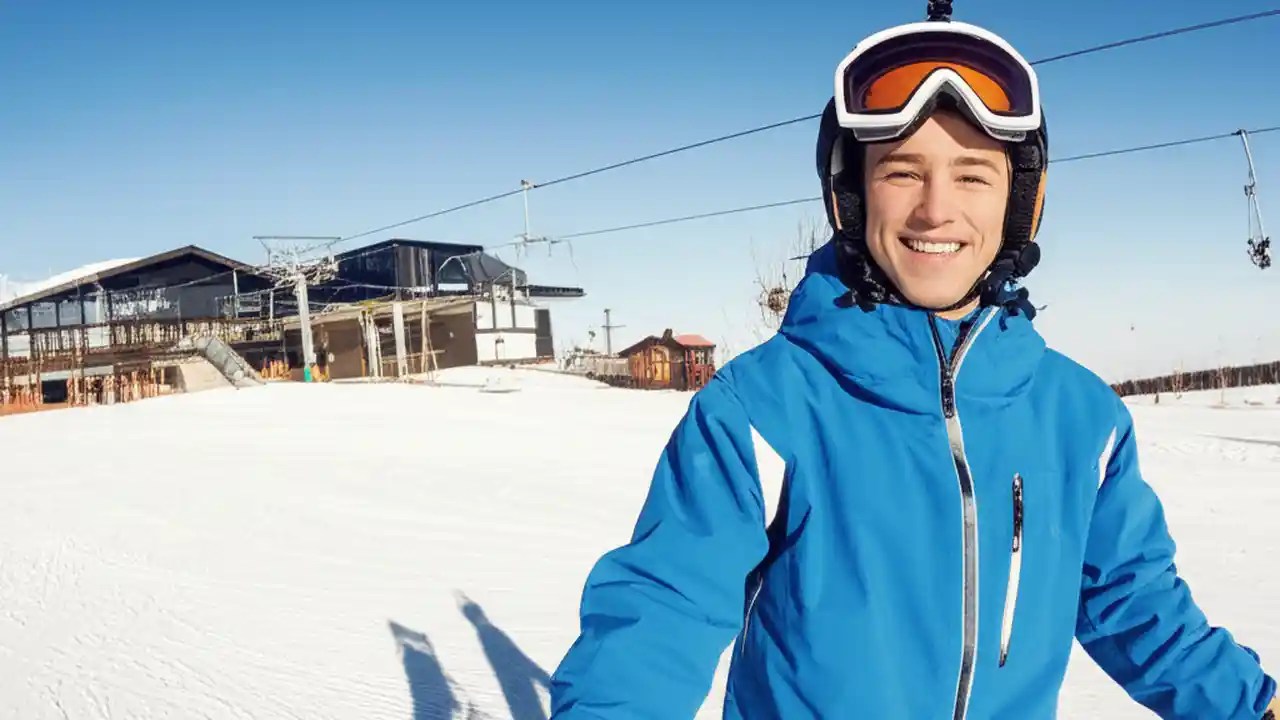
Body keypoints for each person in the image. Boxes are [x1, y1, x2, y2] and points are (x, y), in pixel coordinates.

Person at [548, 12, 1278, 720]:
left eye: (972, 176)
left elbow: (1133, 602)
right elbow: (664, 607)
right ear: (852, 195)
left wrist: (1251, 705)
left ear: (1019, 202)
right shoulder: (763, 408)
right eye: (902, 172)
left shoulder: (1081, 418)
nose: (936, 210)